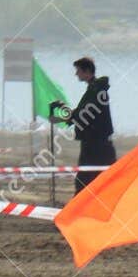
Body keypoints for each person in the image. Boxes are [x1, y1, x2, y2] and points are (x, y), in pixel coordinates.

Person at [50, 57, 115, 194]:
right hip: (94, 144)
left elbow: (84, 114)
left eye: (78, 71)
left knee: (86, 182)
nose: (76, 74)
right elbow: (81, 112)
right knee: (93, 181)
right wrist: (62, 112)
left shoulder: (96, 90)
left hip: (97, 145)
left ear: (86, 71)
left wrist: (62, 117)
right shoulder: (94, 89)